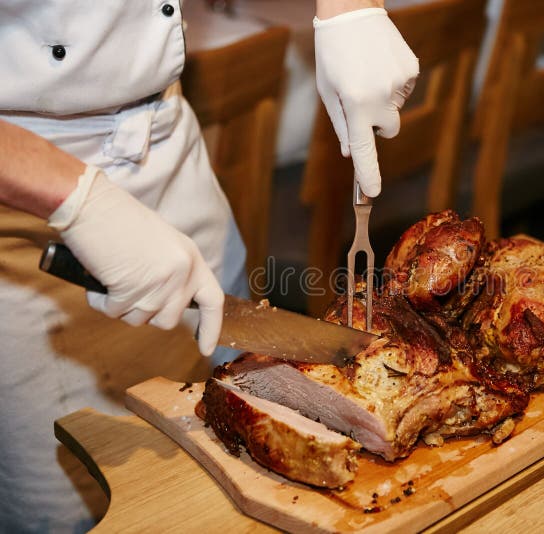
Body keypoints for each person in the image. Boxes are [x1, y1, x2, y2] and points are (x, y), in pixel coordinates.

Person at [0, 0, 418, 531]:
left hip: (170, 149)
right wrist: (75, 197)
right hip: (24, 205)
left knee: (243, 465)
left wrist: (349, 8)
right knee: (84, 511)